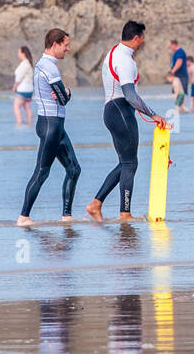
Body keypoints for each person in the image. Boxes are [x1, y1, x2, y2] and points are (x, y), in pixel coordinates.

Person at [89, 21, 169, 223]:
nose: (142, 42)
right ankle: (124, 213)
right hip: (121, 110)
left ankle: (96, 204)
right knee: (130, 163)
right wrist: (154, 114)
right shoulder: (124, 60)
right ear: (136, 38)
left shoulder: (113, 52)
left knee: (126, 163)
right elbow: (131, 96)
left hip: (111, 111)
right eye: (142, 38)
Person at [17, 29, 81, 225]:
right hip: (50, 126)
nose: (68, 49)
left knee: (74, 169)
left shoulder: (47, 65)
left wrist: (63, 93)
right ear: (55, 44)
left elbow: (60, 96)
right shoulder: (48, 67)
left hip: (56, 126)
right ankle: (23, 217)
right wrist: (67, 92)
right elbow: (63, 98)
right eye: (65, 45)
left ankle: (66, 217)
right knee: (42, 171)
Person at [167, 40, 190, 113]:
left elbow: (179, 62)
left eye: (170, 46)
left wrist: (172, 71)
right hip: (178, 75)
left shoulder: (179, 51)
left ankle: (181, 107)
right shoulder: (177, 52)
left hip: (181, 75)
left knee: (181, 91)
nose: (170, 48)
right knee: (177, 91)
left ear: (174, 44)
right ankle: (180, 107)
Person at [13, 46, 35, 124]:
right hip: (29, 90)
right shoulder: (28, 63)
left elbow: (19, 77)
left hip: (23, 89)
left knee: (16, 106)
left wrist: (14, 87)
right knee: (27, 106)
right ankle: (29, 123)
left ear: (23, 53)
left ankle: (19, 122)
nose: (18, 54)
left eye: (19, 52)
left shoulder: (25, 64)